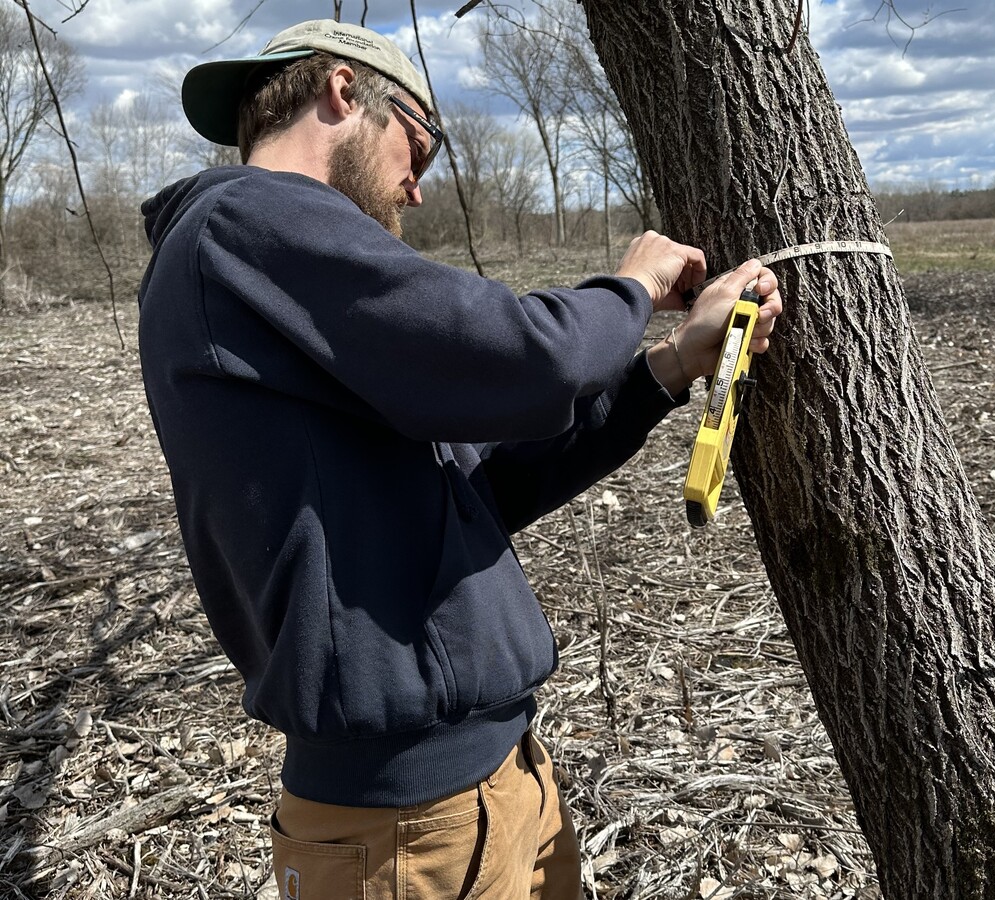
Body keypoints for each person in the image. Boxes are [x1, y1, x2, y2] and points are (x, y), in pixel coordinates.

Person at [138, 18, 782, 900]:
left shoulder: (279, 280)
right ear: (342, 92)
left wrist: (669, 367)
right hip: (408, 827)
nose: (418, 188)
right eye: (422, 143)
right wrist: (630, 286)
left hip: (487, 788)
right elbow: (528, 356)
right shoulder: (247, 219)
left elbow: (488, 479)